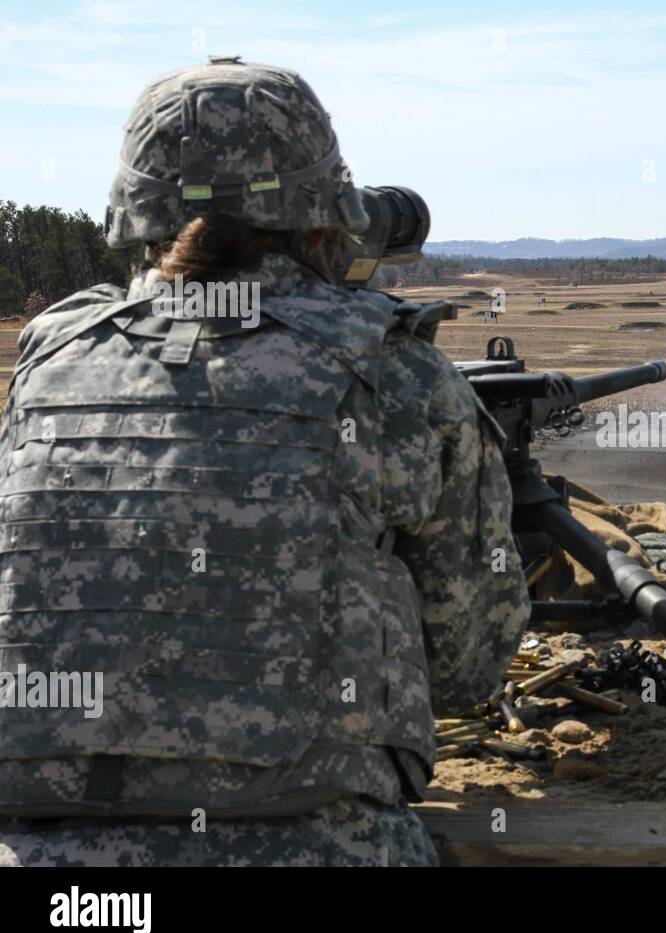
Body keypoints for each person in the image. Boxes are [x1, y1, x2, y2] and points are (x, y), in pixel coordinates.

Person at [0, 57, 529, 866]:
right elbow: (465, 662)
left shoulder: (50, 361)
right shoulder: (393, 369)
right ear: (324, 220)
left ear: (133, 216)